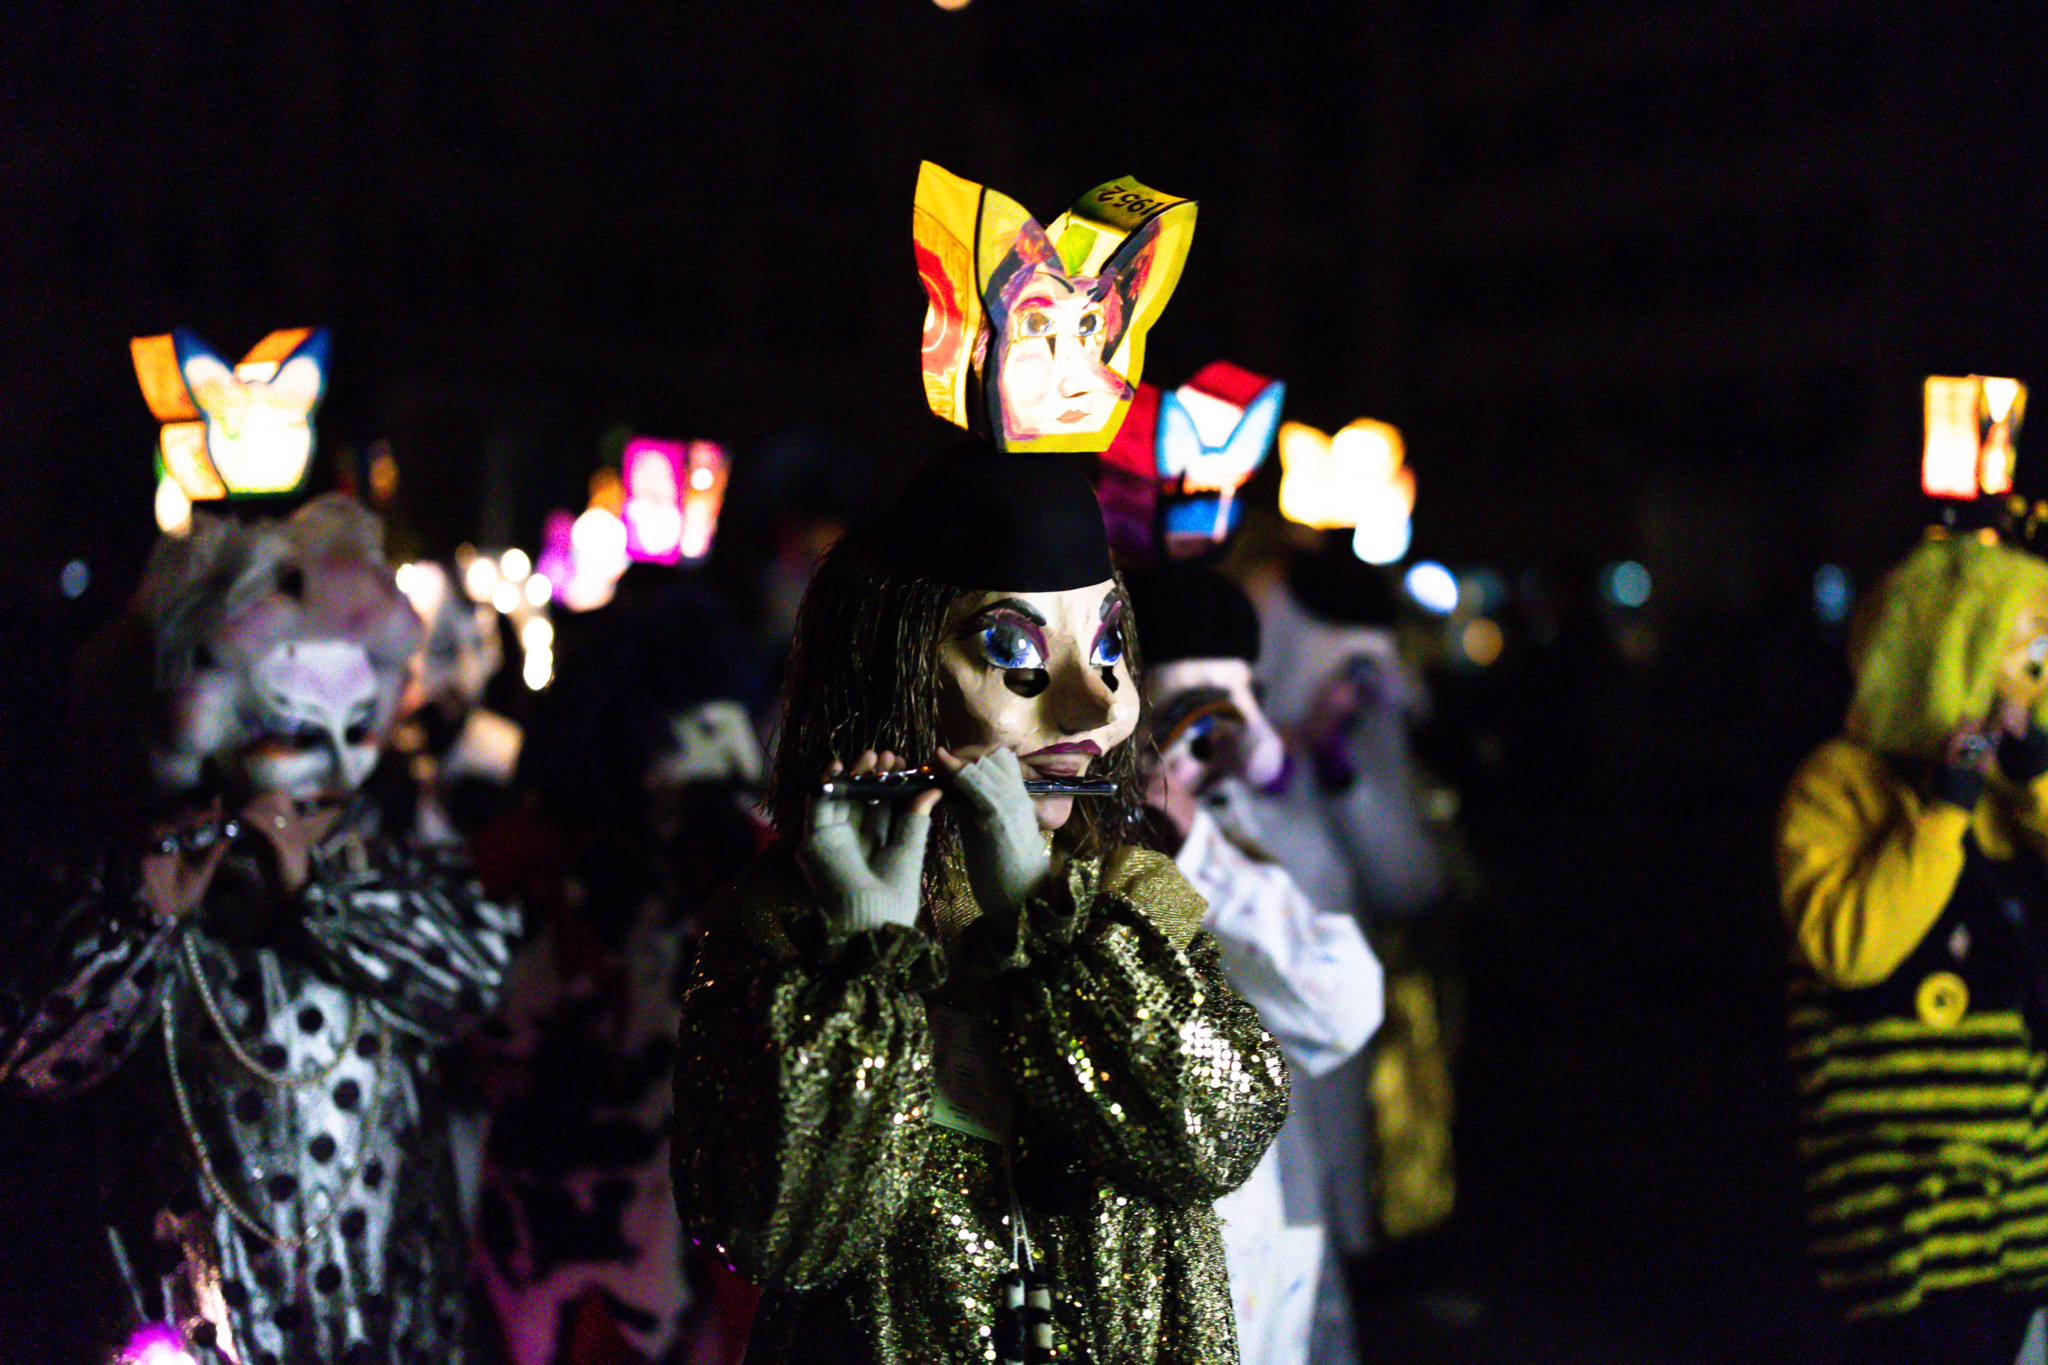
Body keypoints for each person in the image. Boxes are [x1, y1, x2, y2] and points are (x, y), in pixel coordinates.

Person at [671, 441, 1288, 1364]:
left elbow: (1219, 1132)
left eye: (1109, 645)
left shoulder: (1132, 902)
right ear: (895, 666)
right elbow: (782, 1238)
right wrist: (864, 959)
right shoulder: (780, 925)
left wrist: (1045, 915)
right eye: (1014, 652)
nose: (1091, 708)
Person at [0, 494, 520, 1364]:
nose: (339, 761)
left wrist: (322, 894)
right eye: (290, 732)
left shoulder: (393, 860)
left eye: (360, 727)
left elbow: (477, 982)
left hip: (391, 1319)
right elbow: (32, 1048)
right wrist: (142, 915)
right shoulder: (114, 874)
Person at [1777, 531, 2048, 1363]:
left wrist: (2034, 782)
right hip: (1906, 1214)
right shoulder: (1838, 783)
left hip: (2021, 1213)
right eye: (2028, 659)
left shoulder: (2018, 794)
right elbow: (1853, 946)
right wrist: (1941, 813)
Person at [1125, 561, 1383, 1365]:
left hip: (1268, 1218)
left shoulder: (1239, 836)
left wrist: (1198, 846)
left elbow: (1342, 1000)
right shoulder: (1074, 857)